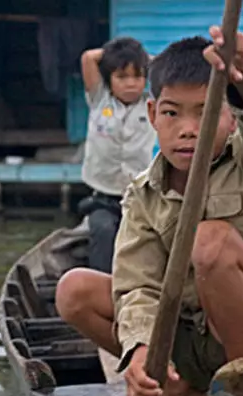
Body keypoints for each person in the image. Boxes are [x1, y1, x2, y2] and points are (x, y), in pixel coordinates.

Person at [55, 27, 243, 396]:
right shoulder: (143, 194)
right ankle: (178, 389)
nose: (188, 128)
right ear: (152, 115)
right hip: (191, 337)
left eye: (206, 111)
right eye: (172, 113)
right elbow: (137, 287)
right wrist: (140, 352)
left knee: (210, 241)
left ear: (232, 120)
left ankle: (240, 386)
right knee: (74, 290)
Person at [79, 37, 156, 274]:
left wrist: (142, 58)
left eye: (137, 76)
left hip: (140, 197)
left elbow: (163, 67)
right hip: (103, 195)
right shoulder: (99, 99)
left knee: (143, 240)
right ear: (109, 79)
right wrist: (120, 54)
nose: (131, 84)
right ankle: (103, 286)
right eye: (122, 77)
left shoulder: (151, 104)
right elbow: (89, 58)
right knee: (102, 231)